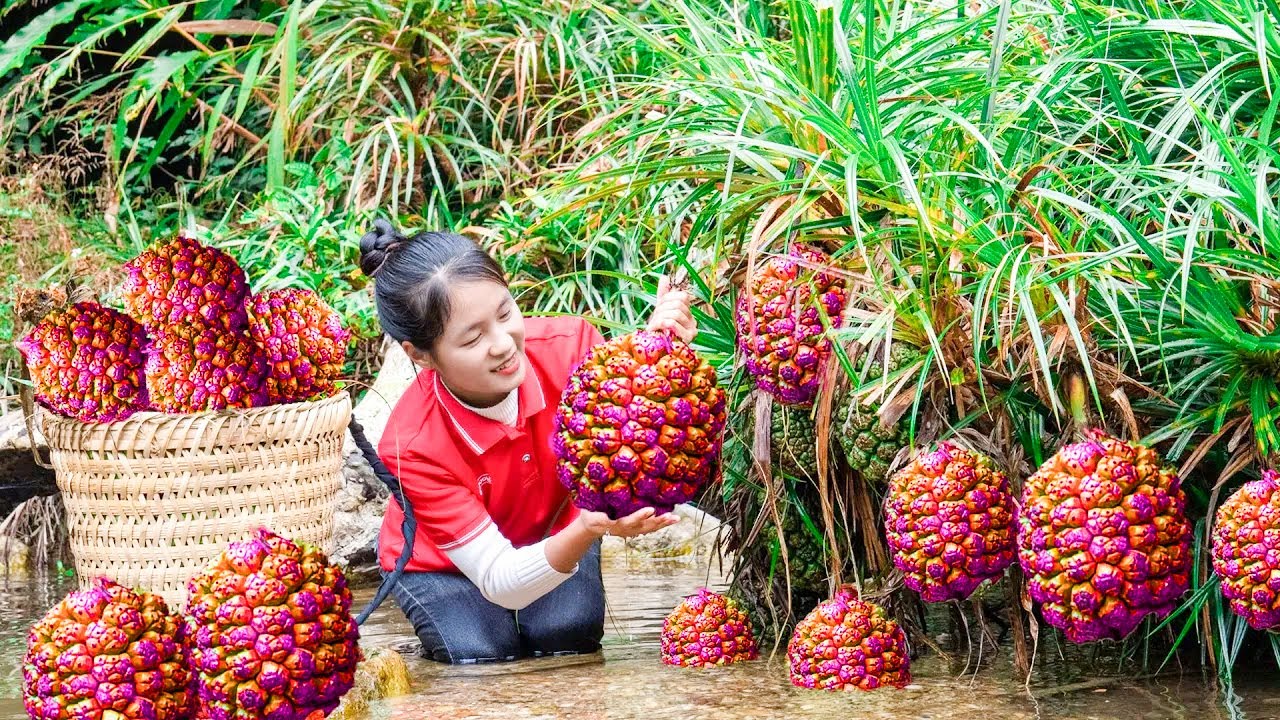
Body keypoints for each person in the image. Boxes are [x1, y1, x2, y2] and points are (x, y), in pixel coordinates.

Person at [358, 219, 698, 664]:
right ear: (420, 355)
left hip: (553, 528)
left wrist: (657, 349)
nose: (503, 344)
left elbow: (633, 421)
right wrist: (589, 527)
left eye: (505, 314)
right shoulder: (412, 445)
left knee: (567, 634)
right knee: (482, 655)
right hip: (442, 564)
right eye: (473, 338)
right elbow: (500, 579)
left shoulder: (573, 349)